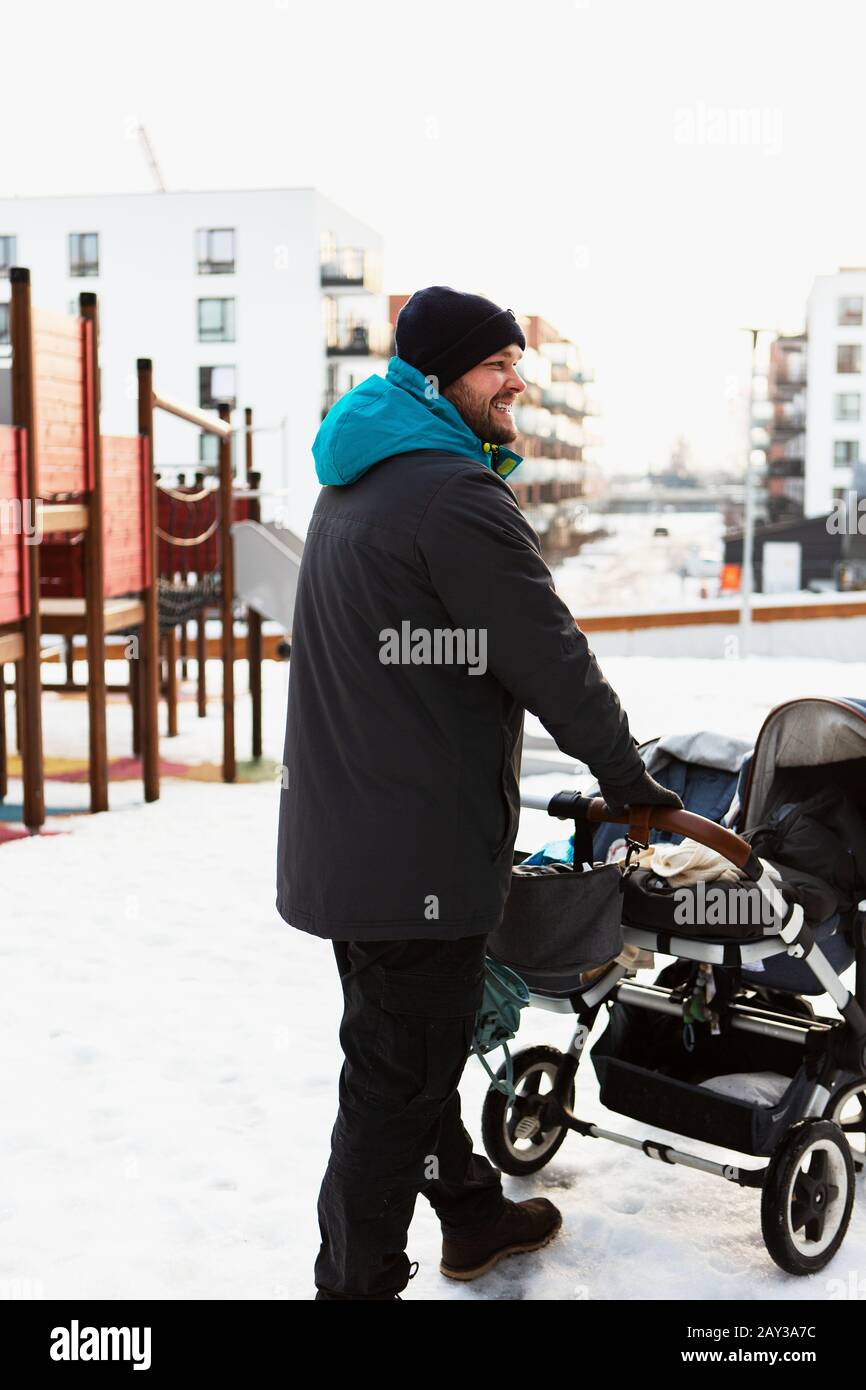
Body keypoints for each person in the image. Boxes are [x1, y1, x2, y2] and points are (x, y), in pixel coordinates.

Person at [276, 286, 682, 1300]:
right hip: (411, 852)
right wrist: (629, 780)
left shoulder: (360, 479)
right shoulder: (452, 495)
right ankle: (352, 1281)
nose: (517, 380)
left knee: (406, 1050)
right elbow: (549, 657)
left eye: (516, 359)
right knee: (392, 1082)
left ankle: (469, 1211)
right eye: (496, 363)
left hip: (353, 838)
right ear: (436, 376)